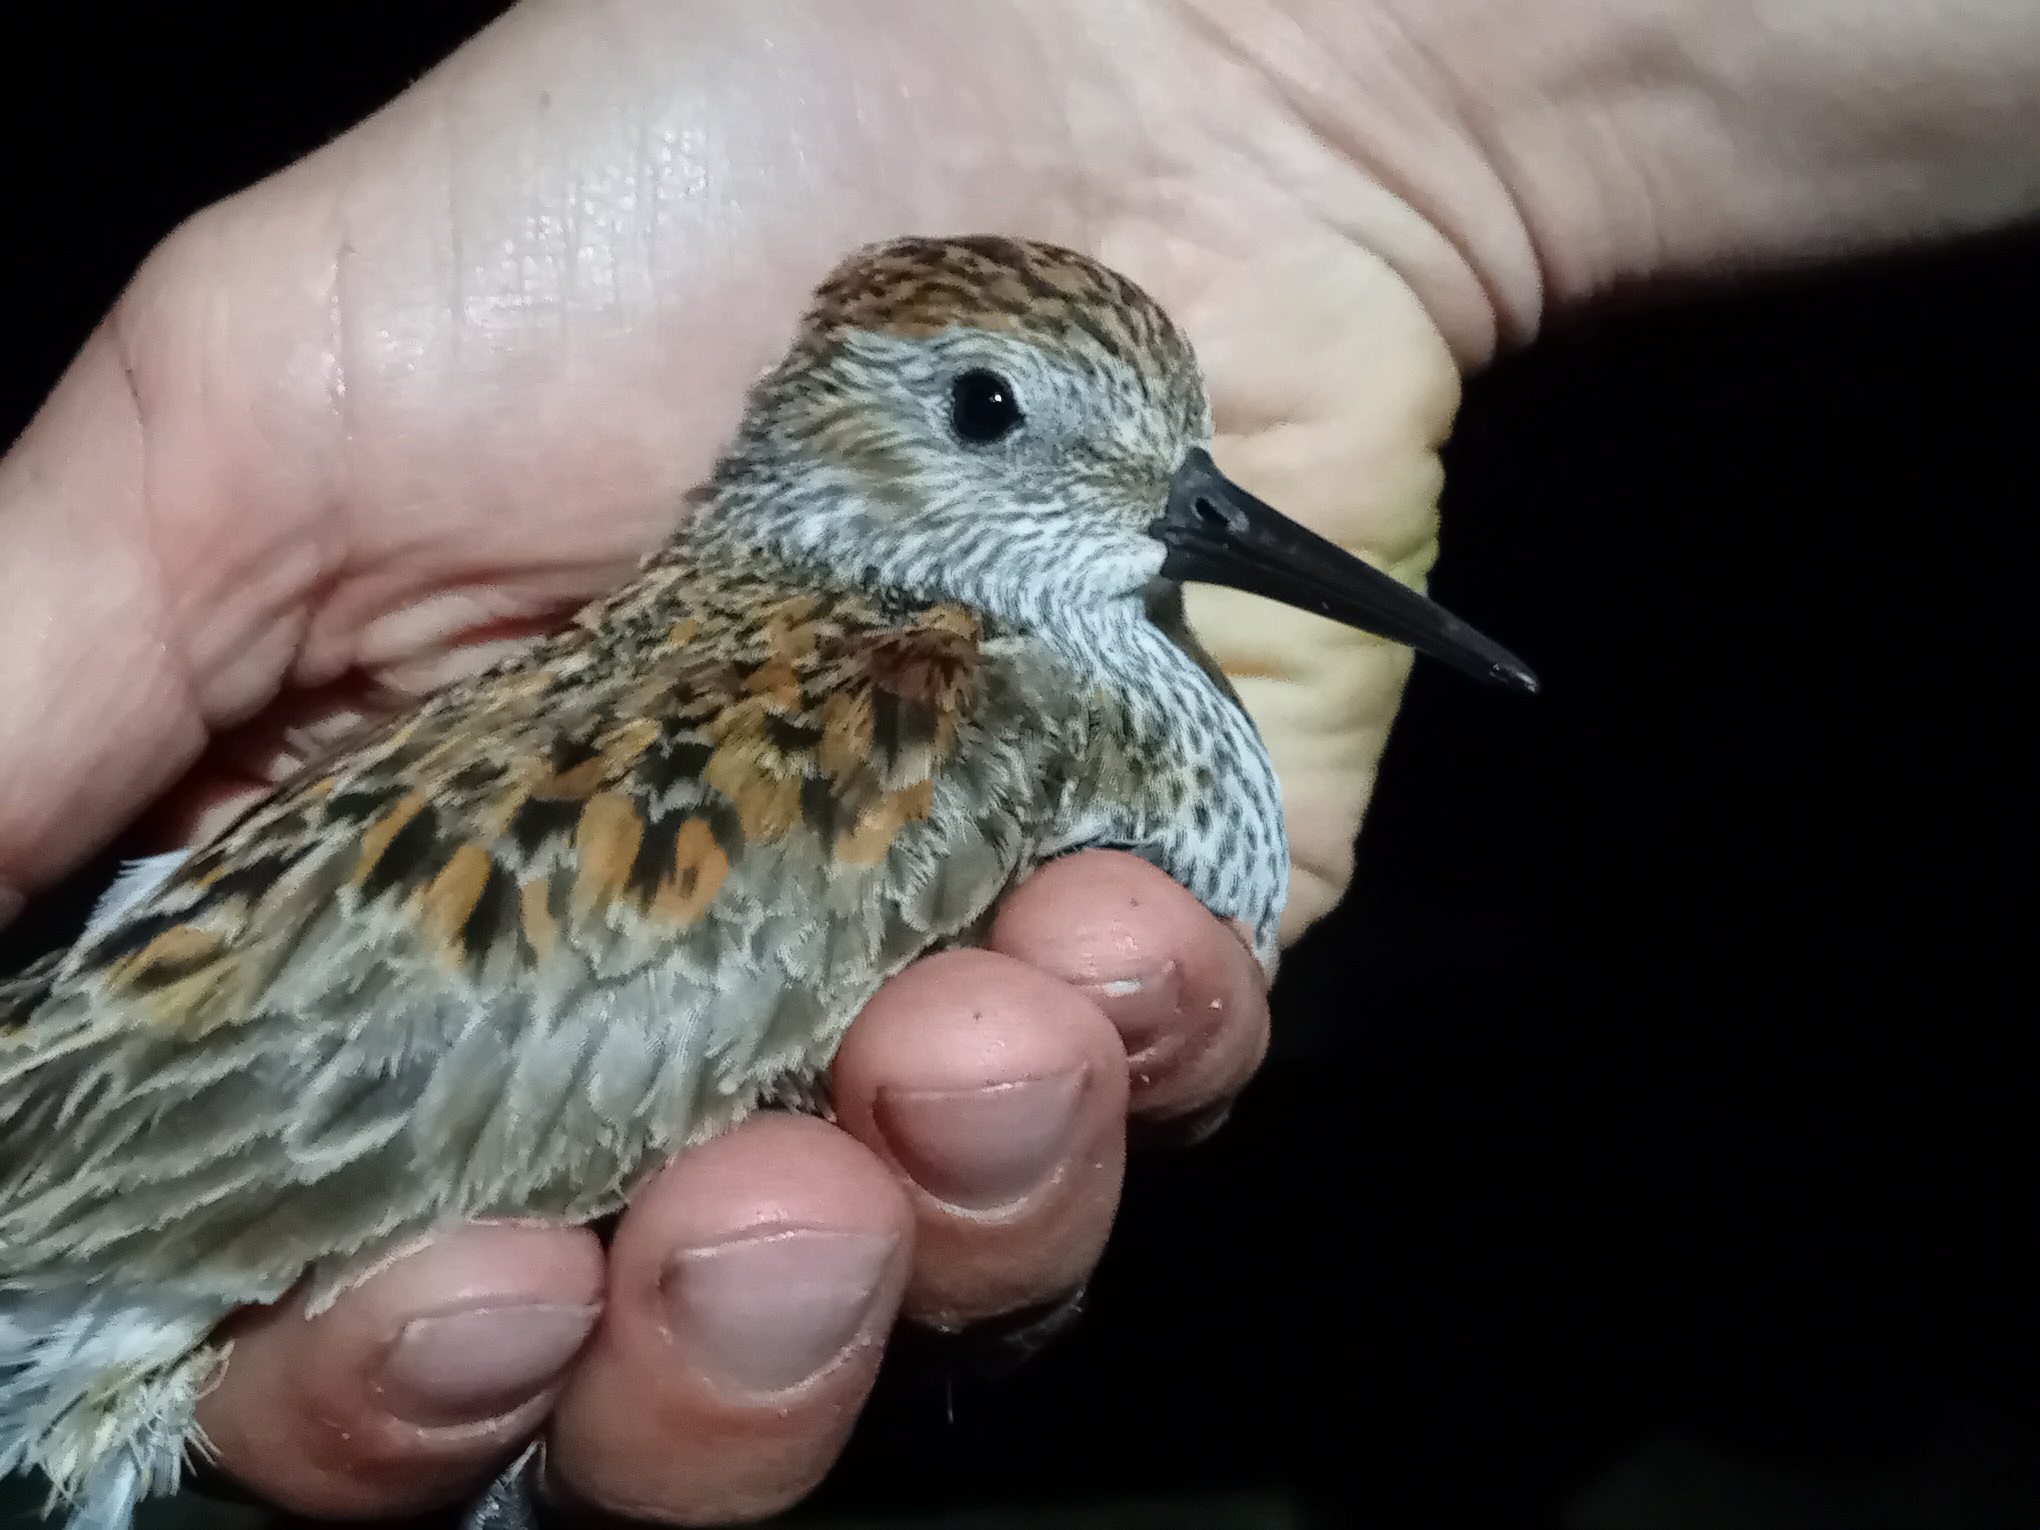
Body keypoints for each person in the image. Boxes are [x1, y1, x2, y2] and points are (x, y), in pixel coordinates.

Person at [0, 3, 2034, 1524]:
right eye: (993, 419)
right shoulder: (953, 732)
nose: (1191, 516)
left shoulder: (914, 690)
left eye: (1171, 445)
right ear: (841, 440)